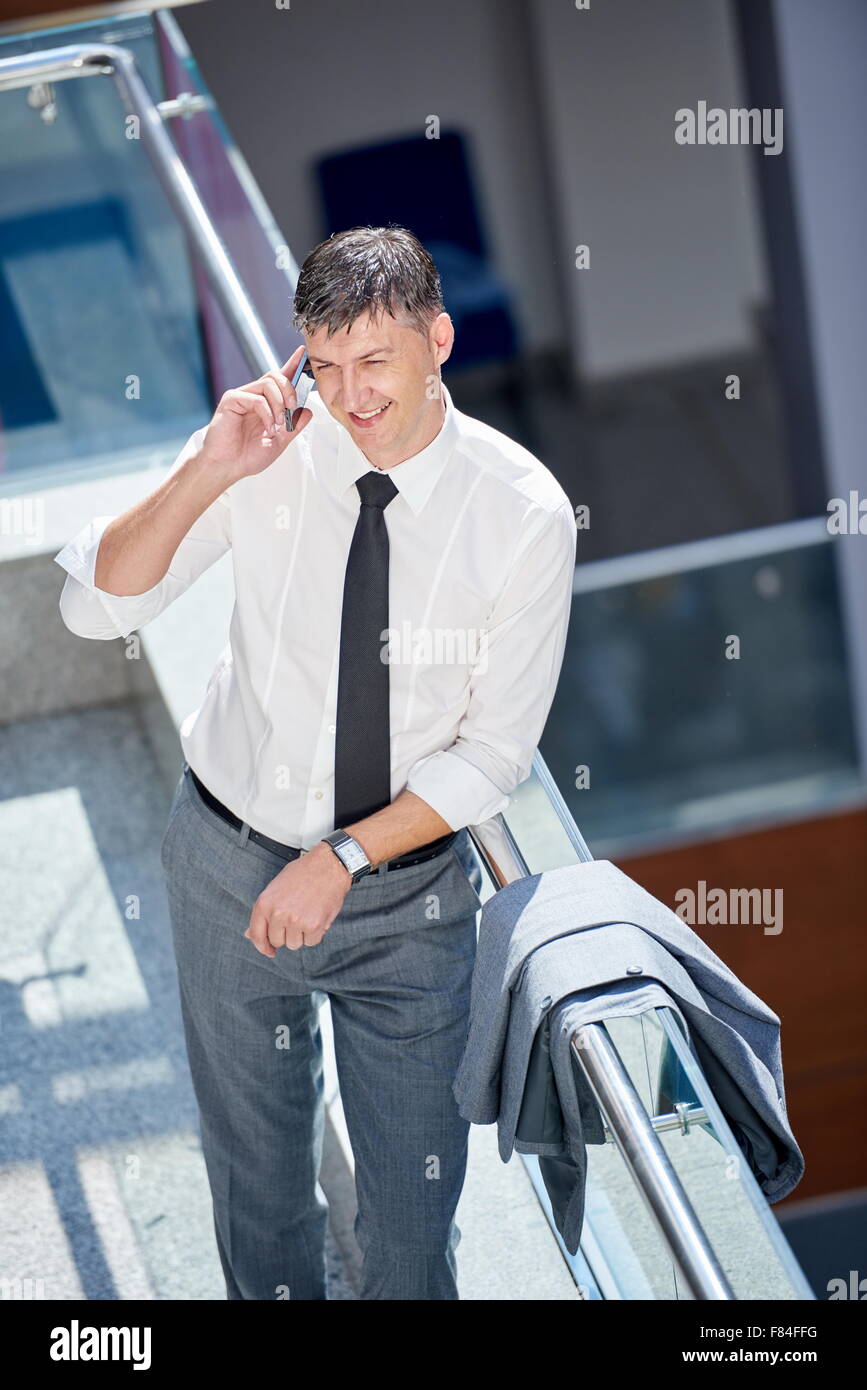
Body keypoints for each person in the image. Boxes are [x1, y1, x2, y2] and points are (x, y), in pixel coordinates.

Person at [55, 225, 577, 1300]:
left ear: (436, 339)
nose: (351, 397)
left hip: (404, 903)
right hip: (223, 863)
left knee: (406, 1234)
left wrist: (340, 856)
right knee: (259, 1194)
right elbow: (94, 605)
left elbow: (494, 752)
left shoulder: (521, 514)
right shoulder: (272, 451)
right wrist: (208, 469)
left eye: (376, 361)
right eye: (325, 365)